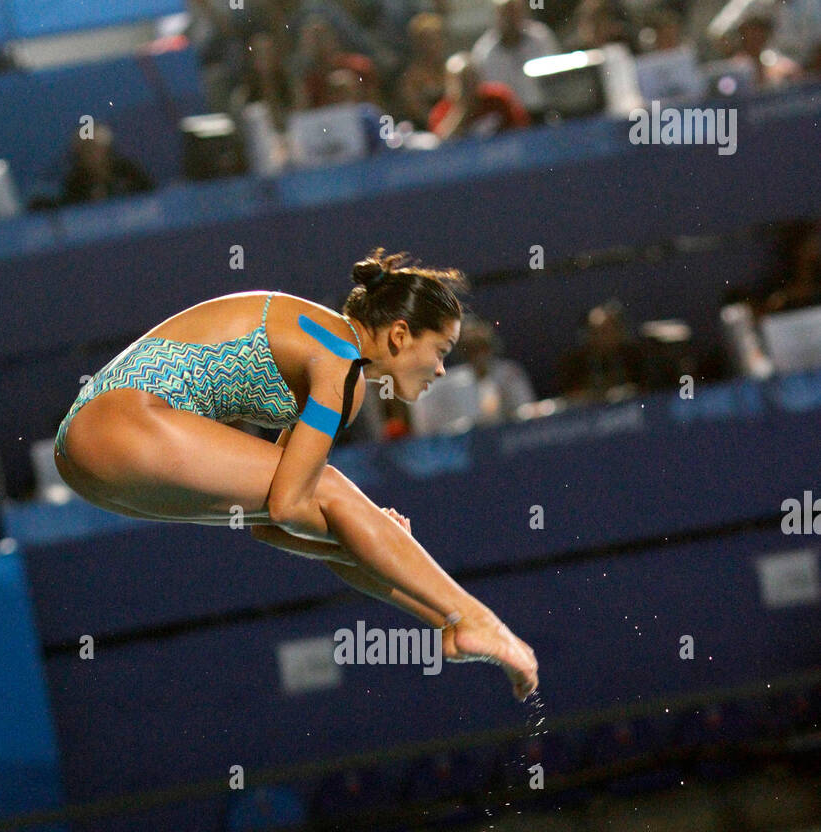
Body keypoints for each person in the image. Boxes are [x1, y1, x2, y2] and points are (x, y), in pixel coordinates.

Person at [53, 247, 539, 701]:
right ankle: (477, 618)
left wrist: (370, 537)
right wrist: (370, 528)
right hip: (120, 424)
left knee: (340, 515)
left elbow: (271, 522)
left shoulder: (330, 355)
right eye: (440, 350)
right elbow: (294, 503)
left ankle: (450, 623)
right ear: (399, 334)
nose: (440, 369)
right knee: (334, 493)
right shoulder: (339, 358)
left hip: (88, 457)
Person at [470, 0, 561, 116]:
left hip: (543, 112)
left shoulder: (542, 38)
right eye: (505, 14)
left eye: (514, 12)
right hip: (505, 120)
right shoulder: (483, 52)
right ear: (496, 16)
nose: (510, 19)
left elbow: (557, 80)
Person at [556, 301, 648, 402]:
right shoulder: (574, 361)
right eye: (595, 332)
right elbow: (570, 396)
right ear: (586, 335)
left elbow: (647, 389)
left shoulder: (634, 355)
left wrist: (627, 391)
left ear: (619, 332)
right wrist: (600, 395)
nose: (601, 337)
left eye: (607, 331)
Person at [428, 51, 531, 139]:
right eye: (462, 81)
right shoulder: (441, 112)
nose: (468, 86)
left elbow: (522, 129)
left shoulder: (498, 98)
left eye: (471, 78)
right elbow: (442, 145)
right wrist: (462, 110)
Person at [58, 122, 155, 206]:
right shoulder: (75, 184)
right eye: (86, 149)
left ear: (106, 149)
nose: (92, 153)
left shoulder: (126, 171)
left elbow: (150, 197)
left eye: (95, 147)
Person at [394, 13, 449, 129]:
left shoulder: (451, 71)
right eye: (428, 41)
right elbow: (417, 111)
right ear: (417, 45)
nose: (433, 46)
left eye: (437, 39)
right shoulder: (411, 79)